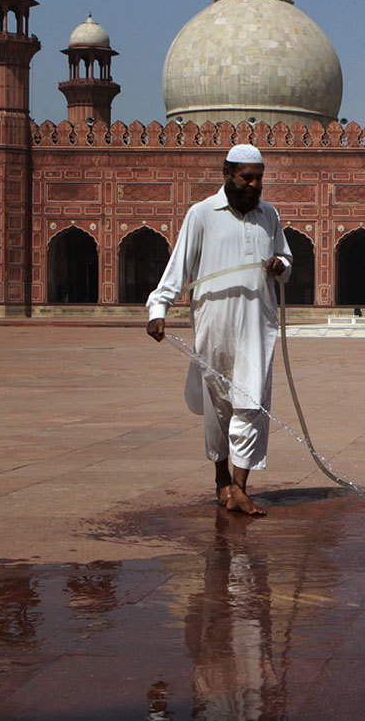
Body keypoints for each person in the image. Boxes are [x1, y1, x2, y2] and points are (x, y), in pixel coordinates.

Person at [146, 144, 293, 516]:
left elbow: (286, 257)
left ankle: (241, 485)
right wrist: (158, 308)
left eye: (258, 178)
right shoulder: (202, 214)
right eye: (246, 177)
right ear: (227, 175)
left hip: (257, 323)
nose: (253, 185)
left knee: (250, 402)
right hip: (213, 322)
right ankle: (221, 481)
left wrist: (281, 265)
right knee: (218, 408)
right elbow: (178, 267)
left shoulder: (268, 214)